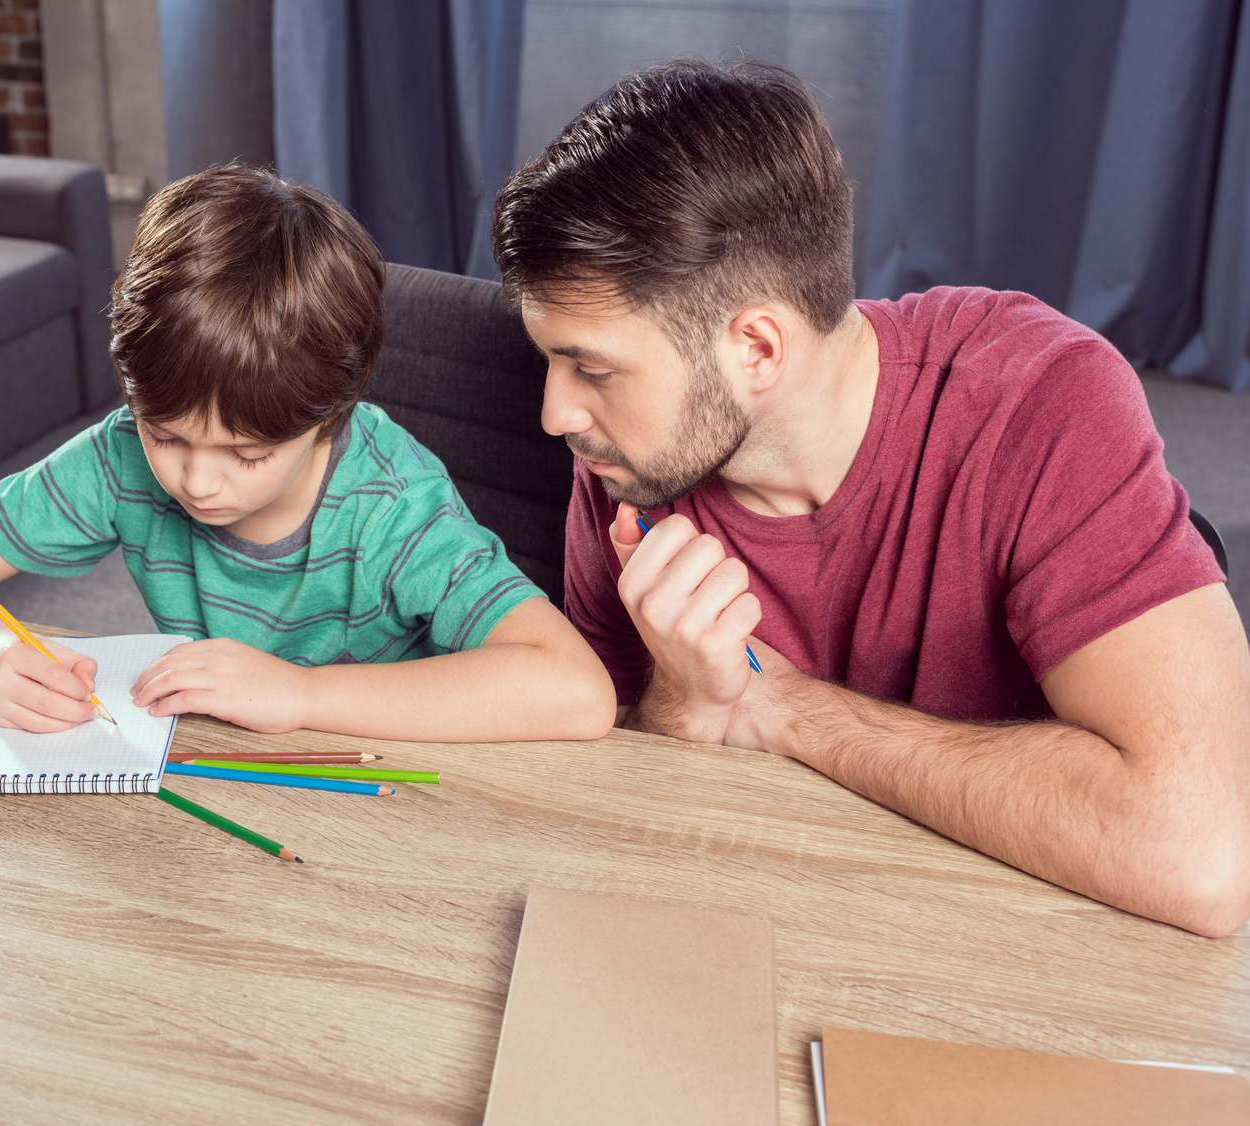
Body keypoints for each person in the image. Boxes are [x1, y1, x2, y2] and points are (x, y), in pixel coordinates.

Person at [491, 60, 1250, 936]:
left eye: (590, 368)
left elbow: (1199, 855)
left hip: (1026, 947)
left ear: (758, 349)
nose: (554, 413)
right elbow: (613, 815)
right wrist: (685, 703)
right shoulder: (629, 464)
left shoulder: (1038, 399)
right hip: (770, 928)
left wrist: (788, 710)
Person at [0, 166, 613, 743]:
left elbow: (576, 691)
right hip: (219, 769)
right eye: (166, 435)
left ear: (330, 417)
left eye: (247, 454)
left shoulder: (391, 506)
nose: (195, 479)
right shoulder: (121, 458)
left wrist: (300, 692)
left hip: (379, 778)